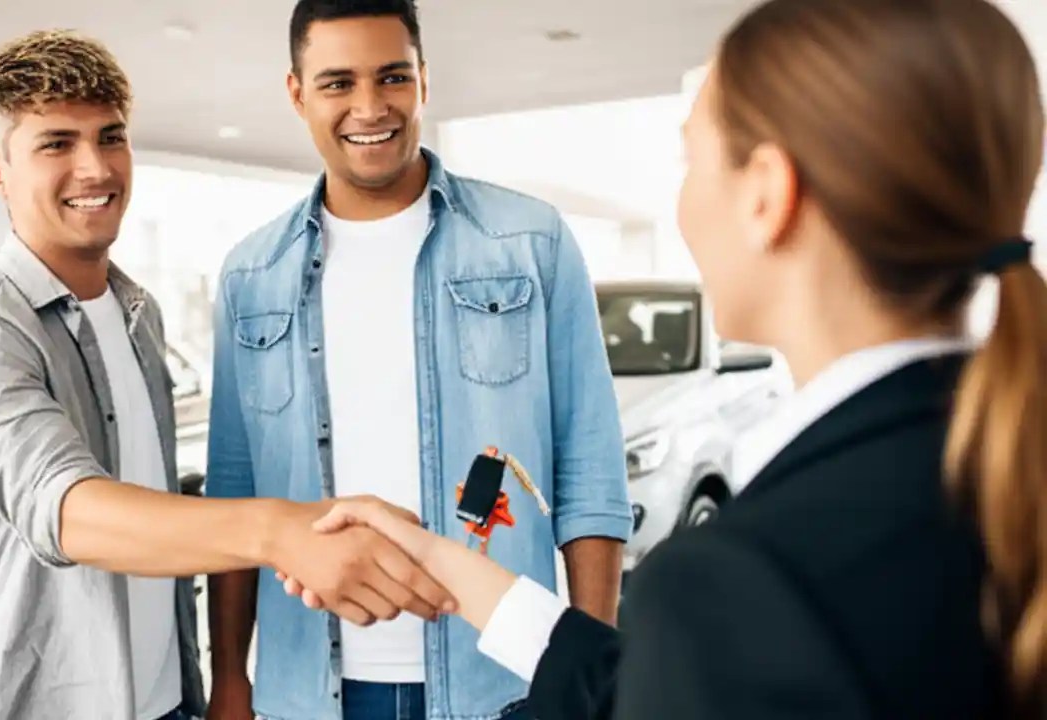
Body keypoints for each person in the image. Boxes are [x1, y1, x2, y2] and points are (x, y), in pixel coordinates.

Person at [284, 0, 1047, 717]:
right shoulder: (1000, 476)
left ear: (767, 195)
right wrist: (442, 563)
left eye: (693, 158)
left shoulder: (734, 583)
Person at [0, 29, 451, 720]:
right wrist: (281, 532)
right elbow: (66, 510)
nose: (94, 168)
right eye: (57, 143)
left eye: (110, 137)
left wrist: (221, 678)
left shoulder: (139, 315)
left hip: (170, 701)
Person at [203, 0, 633, 718]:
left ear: (424, 82)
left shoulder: (529, 241)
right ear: (297, 93)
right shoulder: (252, 275)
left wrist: (592, 679)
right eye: (338, 82)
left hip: (500, 684)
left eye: (392, 77)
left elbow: (588, 467)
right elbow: (235, 491)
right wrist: (229, 679)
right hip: (309, 689)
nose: (370, 107)